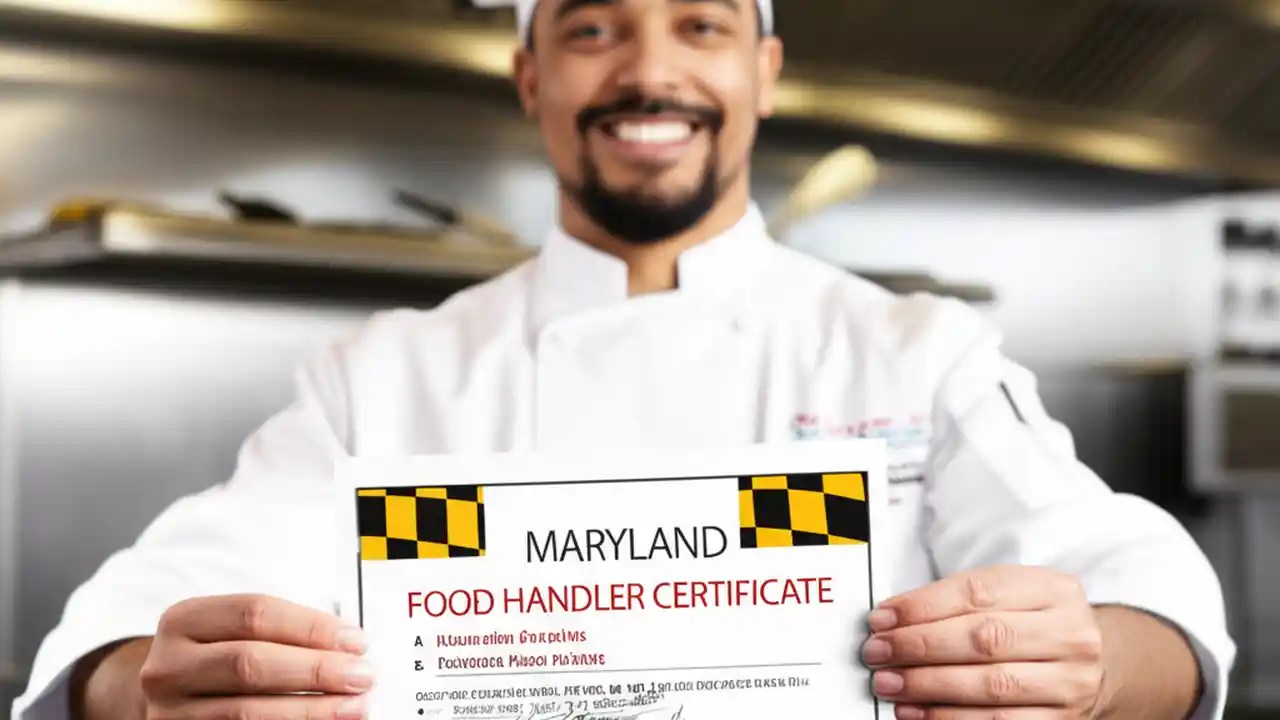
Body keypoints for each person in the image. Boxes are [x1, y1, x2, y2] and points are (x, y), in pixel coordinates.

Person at [14, 1, 1233, 719]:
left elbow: (1142, 605)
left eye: (698, 23)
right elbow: (134, 624)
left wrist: (1090, 669)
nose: (648, 70)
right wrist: (143, 686)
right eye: (592, 26)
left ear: (760, 73)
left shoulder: (913, 349)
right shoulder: (382, 374)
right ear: (531, 74)